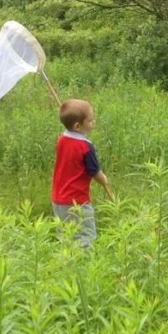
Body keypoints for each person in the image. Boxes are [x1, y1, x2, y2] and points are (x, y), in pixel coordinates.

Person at [52, 99, 114, 248]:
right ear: (78, 126)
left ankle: (66, 264)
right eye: (91, 120)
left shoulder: (62, 139)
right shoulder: (85, 147)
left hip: (58, 198)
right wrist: (104, 180)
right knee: (85, 237)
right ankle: (83, 266)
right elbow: (95, 172)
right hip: (76, 201)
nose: (94, 122)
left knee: (66, 235)